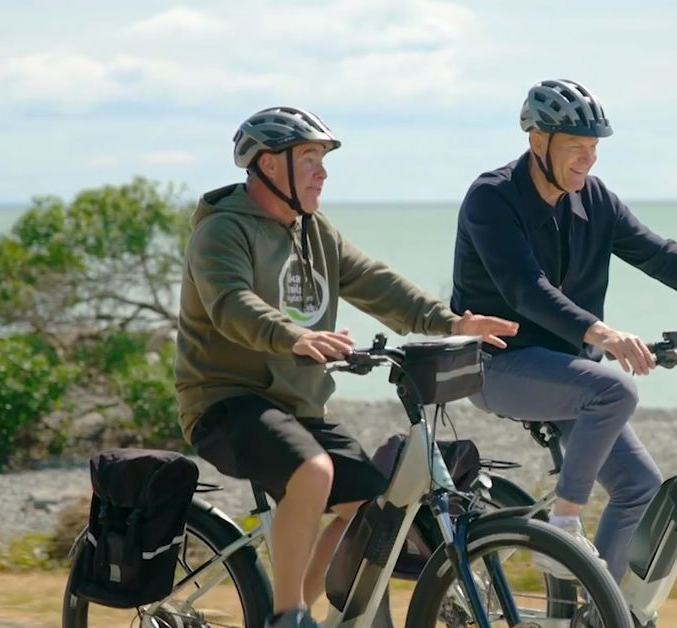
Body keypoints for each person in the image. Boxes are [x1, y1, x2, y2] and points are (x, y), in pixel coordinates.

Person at [175, 106, 518, 628]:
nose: (322, 172)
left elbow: (375, 282)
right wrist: (295, 336)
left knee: (368, 505)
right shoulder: (222, 232)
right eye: (309, 158)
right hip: (226, 401)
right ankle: (288, 616)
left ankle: (296, 610)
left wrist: (448, 323)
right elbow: (230, 303)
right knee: (313, 473)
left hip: (297, 405)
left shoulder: (314, 232)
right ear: (269, 165)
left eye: (322, 159)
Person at [451, 79, 677, 583]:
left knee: (639, 486)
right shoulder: (493, 199)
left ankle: (599, 613)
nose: (587, 161)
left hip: (567, 371)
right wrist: (602, 334)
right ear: (538, 141)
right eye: (576, 148)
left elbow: (660, 255)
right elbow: (526, 289)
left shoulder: (594, 201)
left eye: (593, 149)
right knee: (614, 389)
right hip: (497, 364)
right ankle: (562, 528)